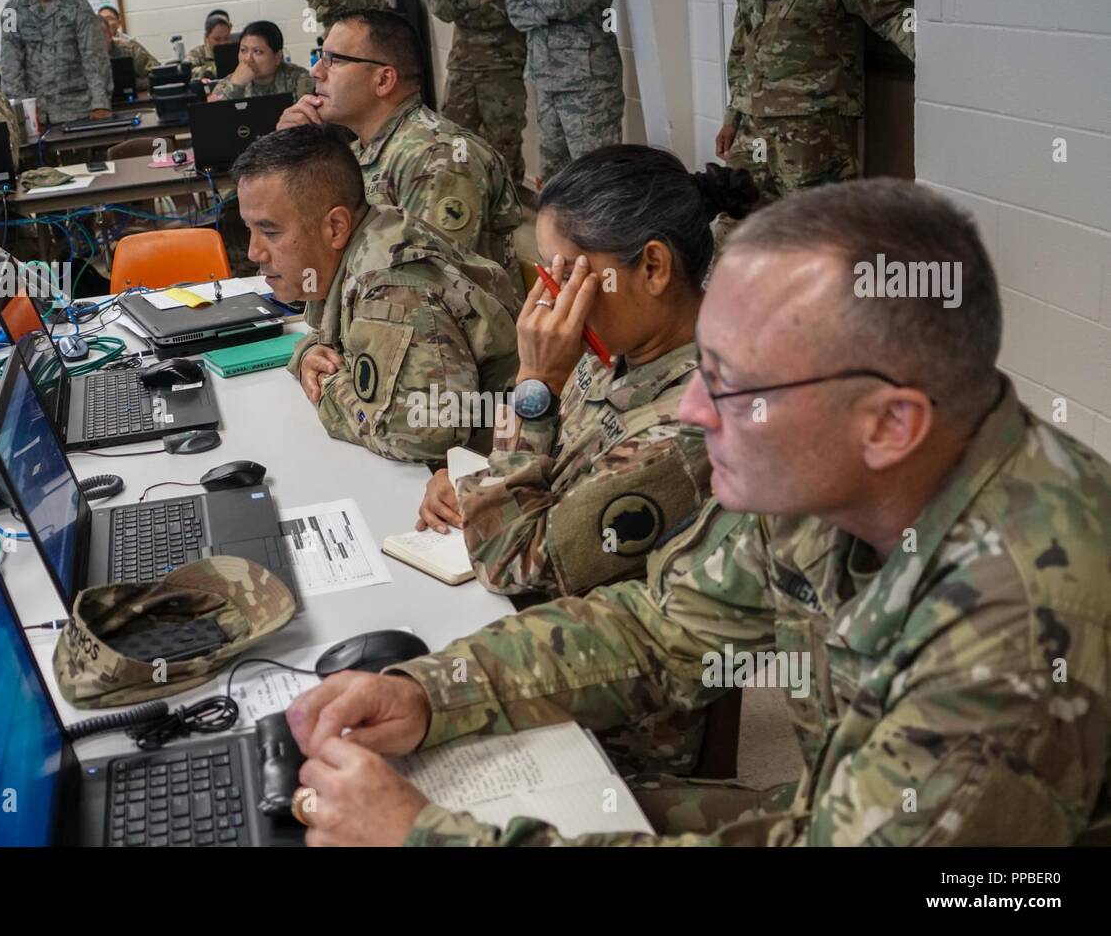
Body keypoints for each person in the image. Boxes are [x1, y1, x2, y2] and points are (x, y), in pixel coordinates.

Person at [280, 177, 1111, 847]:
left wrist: (427, 838)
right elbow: (658, 630)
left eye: (738, 387)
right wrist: (433, 689)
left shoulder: (1022, 622)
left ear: (890, 424)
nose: (694, 411)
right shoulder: (824, 479)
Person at [417, 146, 757, 601]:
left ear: (652, 268)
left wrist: (535, 384)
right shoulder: (621, 343)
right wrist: (470, 484)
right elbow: (561, 468)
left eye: (569, 278)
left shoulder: (692, 427)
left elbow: (511, 562)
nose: (554, 302)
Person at [236, 125, 519, 463]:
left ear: (335, 227)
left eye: (269, 231)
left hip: (492, 468)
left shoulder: (392, 288)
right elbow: (326, 339)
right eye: (249, 229)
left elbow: (421, 438)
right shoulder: (363, 237)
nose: (254, 252)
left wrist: (329, 386)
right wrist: (308, 354)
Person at [278, 9, 524, 303]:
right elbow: (307, 254)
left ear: (383, 80)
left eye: (335, 60)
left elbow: (427, 289)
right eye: (321, 57)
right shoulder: (356, 153)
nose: (316, 72)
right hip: (375, 327)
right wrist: (294, 152)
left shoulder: (440, 158)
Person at [717, 0, 914, 200]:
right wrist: (732, 116)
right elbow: (741, 44)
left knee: (811, 224)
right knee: (734, 219)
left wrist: (940, 62)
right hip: (751, 124)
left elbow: (893, 14)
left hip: (812, 124)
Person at [506, 0, 623, 184]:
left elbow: (564, 2)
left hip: (587, 84)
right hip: (545, 78)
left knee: (594, 178)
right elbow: (513, 8)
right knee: (554, 177)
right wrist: (544, 13)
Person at [426, 0, 528, 184]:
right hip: (462, 69)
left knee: (504, 142)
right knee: (455, 138)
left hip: (502, 71)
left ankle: (504, 204)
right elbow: (438, 6)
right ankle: (461, 195)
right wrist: (476, 1)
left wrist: (462, 6)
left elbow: (515, 11)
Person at [0, 0, 113, 125]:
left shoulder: (79, 5)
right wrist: (17, 114)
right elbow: (10, 65)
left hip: (78, 111)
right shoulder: (11, 11)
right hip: (34, 116)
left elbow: (94, 58)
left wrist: (100, 104)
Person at [208, 21, 314, 102]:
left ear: (277, 57)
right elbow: (213, 115)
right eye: (243, 50)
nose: (248, 59)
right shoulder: (229, 82)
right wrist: (235, 85)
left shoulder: (299, 78)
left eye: (257, 52)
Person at [101, 15, 160, 93]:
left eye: (100, 36)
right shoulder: (82, 56)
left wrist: (131, 83)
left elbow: (158, 76)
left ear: (110, 35)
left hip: (131, 99)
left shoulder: (130, 49)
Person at [188, 13, 233, 80]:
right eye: (217, 39)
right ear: (206, 38)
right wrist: (215, 70)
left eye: (226, 38)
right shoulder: (196, 53)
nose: (223, 43)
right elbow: (190, 73)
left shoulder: (239, 51)